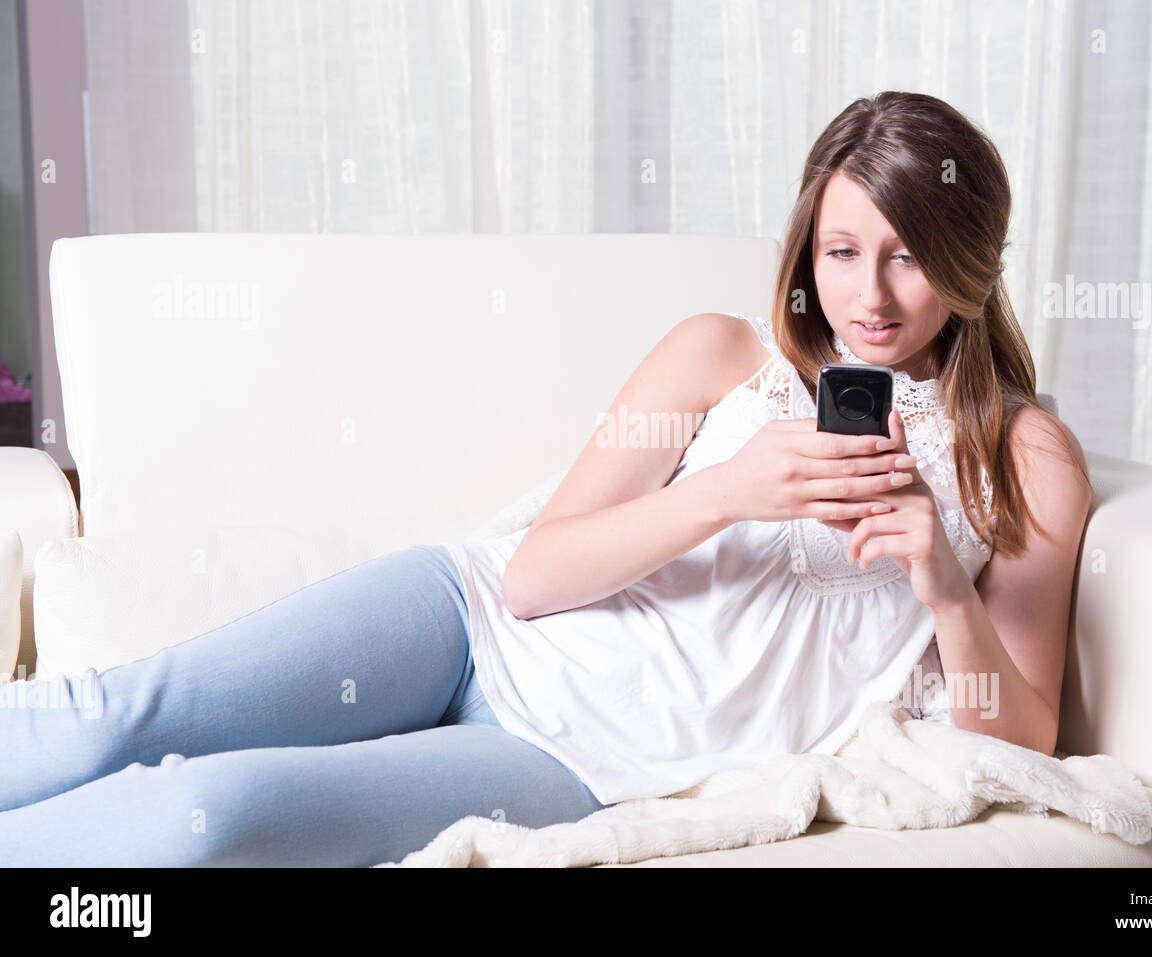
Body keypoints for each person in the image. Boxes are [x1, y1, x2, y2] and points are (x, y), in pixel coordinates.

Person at [0, 91, 1092, 867]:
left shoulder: (1025, 458)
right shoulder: (722, 357)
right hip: (469, 619)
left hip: (579, 759)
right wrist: (729, 490)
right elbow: (532, 577)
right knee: (119, 714)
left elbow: (1025, 735)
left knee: (215, 815)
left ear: (970, 261)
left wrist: (944, 585)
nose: (872, 294)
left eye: (908, 254)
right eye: (840, 250)